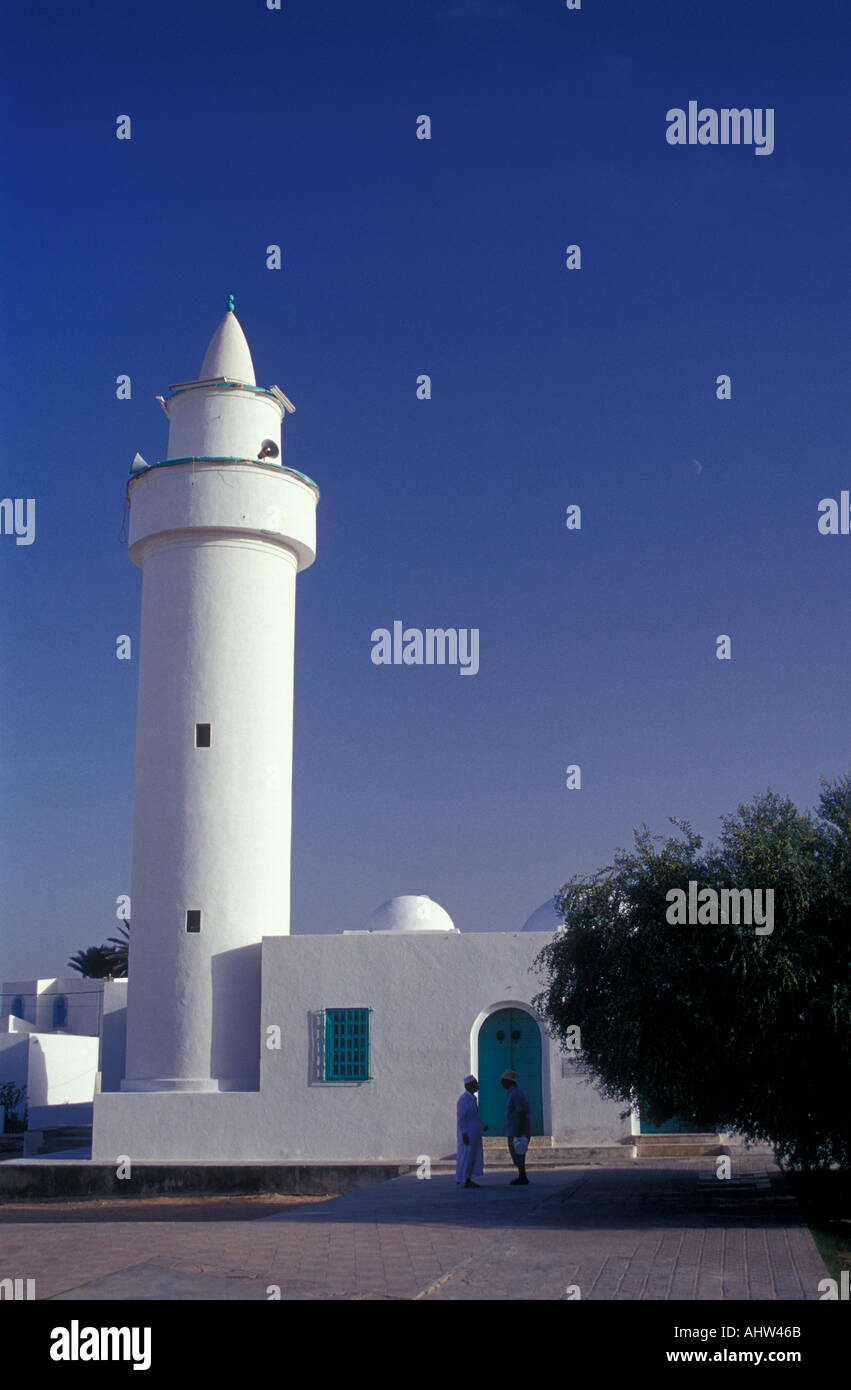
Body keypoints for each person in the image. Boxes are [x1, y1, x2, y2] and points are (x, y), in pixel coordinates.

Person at [456, 1074, 488, 1188]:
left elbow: (475, 1116)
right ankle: (465, 1179)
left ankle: (466, 1177)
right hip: (468, 1134)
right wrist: (464, 1133)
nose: (477, 1086)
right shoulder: (464, 1100)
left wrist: (482, 1125)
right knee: (466, 1156)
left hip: (473, 1133)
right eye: (475, 1084)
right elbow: (461, 1118)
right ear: (469, 1086)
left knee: (471, 1156)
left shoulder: (472, 1100)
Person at [501, 1068, 531, 1185]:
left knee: (519, 1153)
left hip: (518, 1130)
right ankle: (521, 1175)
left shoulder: (516, 1093)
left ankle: (522, 1176)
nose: (502, 1083)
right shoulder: (512, 1093)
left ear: (509, 1081)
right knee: (517, 1153)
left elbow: (522, 1112)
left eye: (504, 1081)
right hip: (513, 1129)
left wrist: (519, 1131)